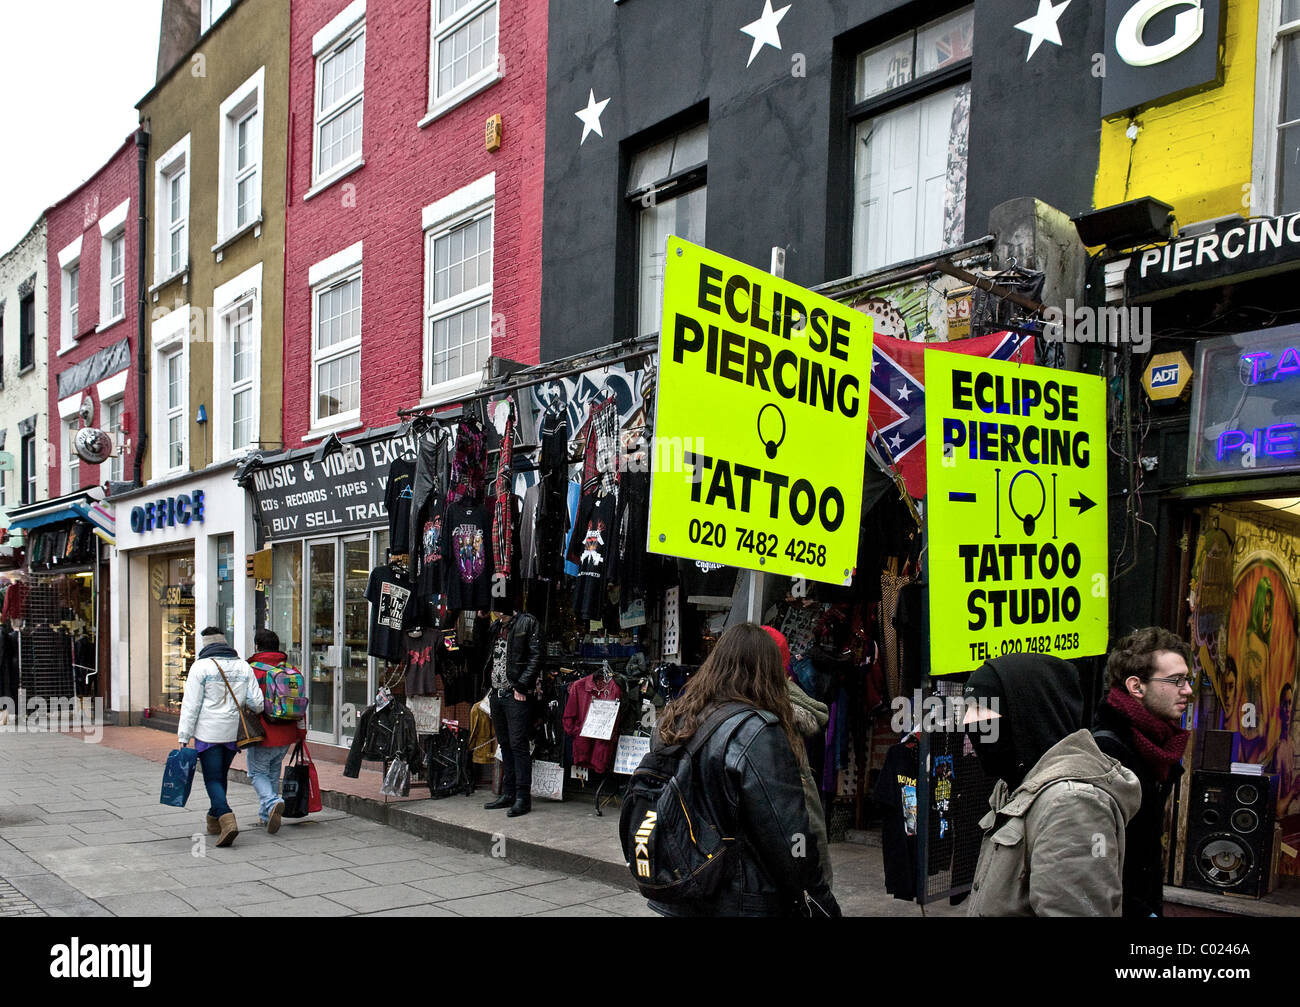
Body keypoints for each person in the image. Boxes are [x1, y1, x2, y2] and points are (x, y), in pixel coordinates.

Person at [650, 622, 839, 917]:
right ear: (771, 672)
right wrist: (818, 894)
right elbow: (788, 830)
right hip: (739, 896)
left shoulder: (674, 719)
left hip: (682, 881)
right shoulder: (758, 732)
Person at [963, 654, 1140, 917]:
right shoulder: (1015, 786)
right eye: (968, 710)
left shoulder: (1072, 804)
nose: (969, 722)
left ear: (1027, 711)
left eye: (983, 709)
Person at [1093, 627, 1193, 918]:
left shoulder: (1158, 745)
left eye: (1187, 680)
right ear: (1136, 687)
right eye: (1176, 681)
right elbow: (1093, 859)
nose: (1187, 690)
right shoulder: (1107, 754)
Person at [178, 627, 264, 848]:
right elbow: (257, 703)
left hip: (208, 733)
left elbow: (191, 705)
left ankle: (226, 817)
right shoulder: (243, 666)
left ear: (205, 645)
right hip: (233, 732)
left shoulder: (201, 667)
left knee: (212, 778)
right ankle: (213, 819)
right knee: (220, 775)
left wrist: (183, 735)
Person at [481, 606, 543, 817]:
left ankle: (522, 798)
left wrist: (522, 686)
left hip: (514, 692)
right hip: (497, 692)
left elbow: (536, 656)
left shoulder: (527, 622)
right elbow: (482, 649)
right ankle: (508, 793)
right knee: (505, 743)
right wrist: (480, 620)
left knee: (518, 745)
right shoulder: (495, 626)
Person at [247, 629, 307, 833]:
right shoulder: (291, 670)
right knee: (272, 772)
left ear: (257, 646)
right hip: (287, 732)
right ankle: (266, 817)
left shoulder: (253, 669)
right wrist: (301, 734)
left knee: (256, 773)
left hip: (263, 732)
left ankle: (272, 803)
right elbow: (300, 706)